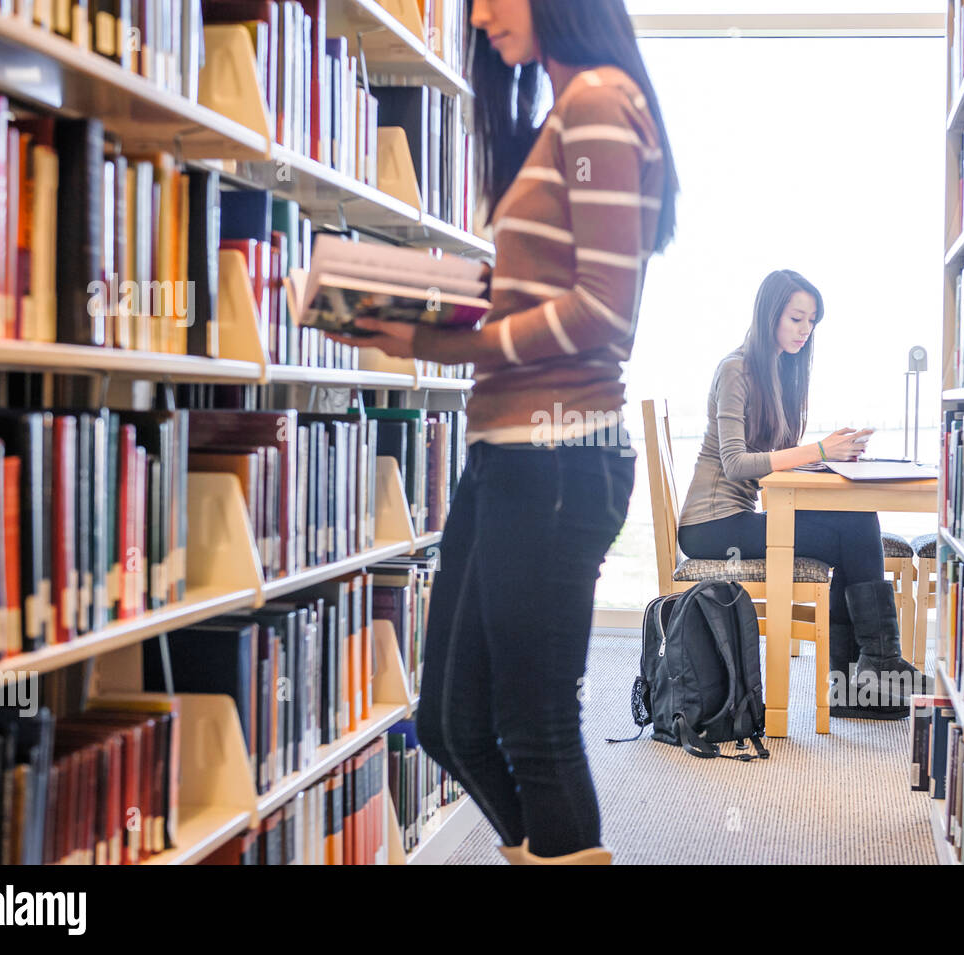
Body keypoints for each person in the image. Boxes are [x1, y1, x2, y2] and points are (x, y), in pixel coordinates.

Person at [339, 0, 677, 864]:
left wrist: (450, 339)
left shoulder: (601, 101)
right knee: (449, 721)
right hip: (505, 456)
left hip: (561, 459)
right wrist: (411, 316)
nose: (480, 14)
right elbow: (532, 297)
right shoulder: (558, 115)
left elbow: (603, 313)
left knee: (534, 725)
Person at [676, 269, 928, 719]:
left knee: (855, 518)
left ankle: (865, 675)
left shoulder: (778, 371)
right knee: (851, 535)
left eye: (811, 322)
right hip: (710, 526)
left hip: (732, 518)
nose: (804, 330)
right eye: (796, 318)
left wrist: (831, 457)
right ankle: (866, 675)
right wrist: (818, 450)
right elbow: (735, 463)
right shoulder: (736, 369)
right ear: (770, 313)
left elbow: (770, 456)